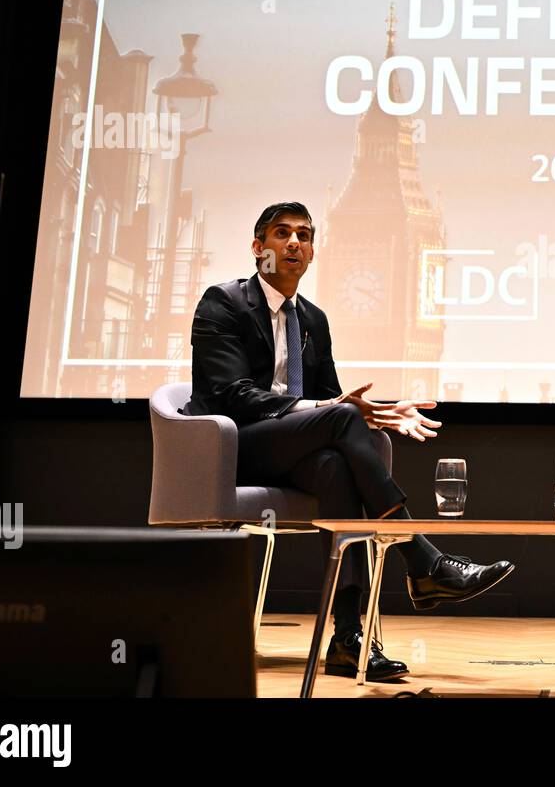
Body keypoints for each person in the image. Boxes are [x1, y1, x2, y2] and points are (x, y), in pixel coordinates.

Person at [181, 201, 515, 681]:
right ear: (259, 248)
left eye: (305, 235)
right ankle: (423, 559)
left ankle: (347, 637)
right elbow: (232, 394)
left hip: (292, 449)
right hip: (236, 446)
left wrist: (370, 414)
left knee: (335, 469)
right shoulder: (223, 303)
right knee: (337, 423)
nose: (294, 243)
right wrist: (331, 410)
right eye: (281, 234)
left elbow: (330, 398)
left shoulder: (312, 320)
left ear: (313, 252)